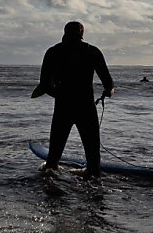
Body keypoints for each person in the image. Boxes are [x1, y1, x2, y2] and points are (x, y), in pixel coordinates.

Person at [33, 22, 114, 177]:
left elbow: (44, 85)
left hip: (63, 106)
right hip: (86, 105)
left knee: (54, 154)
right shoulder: (92, 51)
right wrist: (108, 92)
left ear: (64, 32)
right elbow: (108, 83)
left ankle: (50, 178)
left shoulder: (53, 52)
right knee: (92, 154)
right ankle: (93, 180)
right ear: (82, 33)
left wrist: (61, 95)